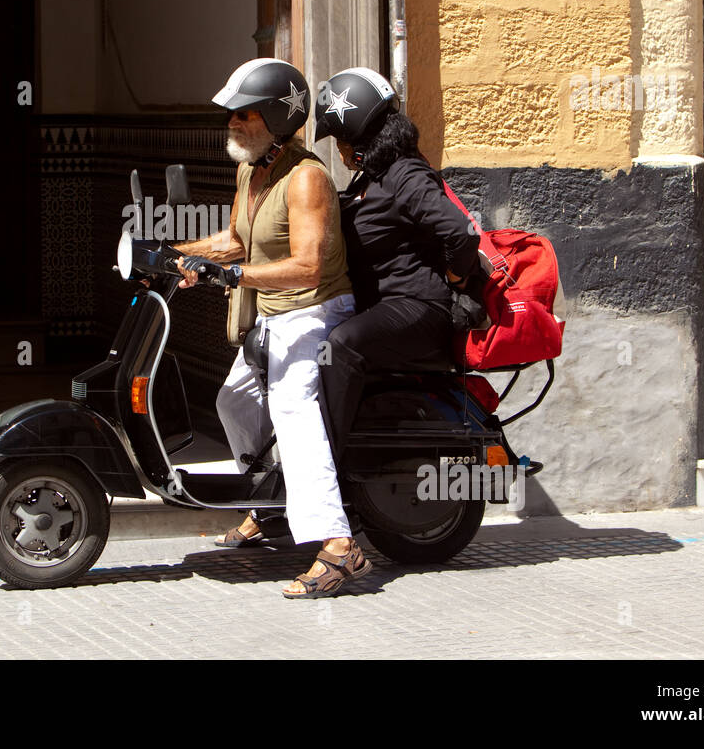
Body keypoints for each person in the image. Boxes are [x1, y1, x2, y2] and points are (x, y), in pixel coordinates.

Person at [174, 57, 373, 600]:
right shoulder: (251, 170)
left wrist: (233, 275)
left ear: (277, 120)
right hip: (272, 313)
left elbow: (308, 264)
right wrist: (176, 255)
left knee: (292, 409)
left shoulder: (307, 178)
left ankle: (337, 545)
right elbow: (238, 240)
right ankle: (271, 503)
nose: (233, 124)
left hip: (313, 311)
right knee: (234, 403)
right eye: (232, 115)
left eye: (245, 115)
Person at [313, 67, 482, 456]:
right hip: (383, 307)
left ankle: (325, 476)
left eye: (340, 140)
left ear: (360, 138)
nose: (338, 151)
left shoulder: (404, 173)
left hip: (417, 308)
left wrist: (456, 279)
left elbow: (462, 232)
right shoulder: (371, 178)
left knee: (341, 346)